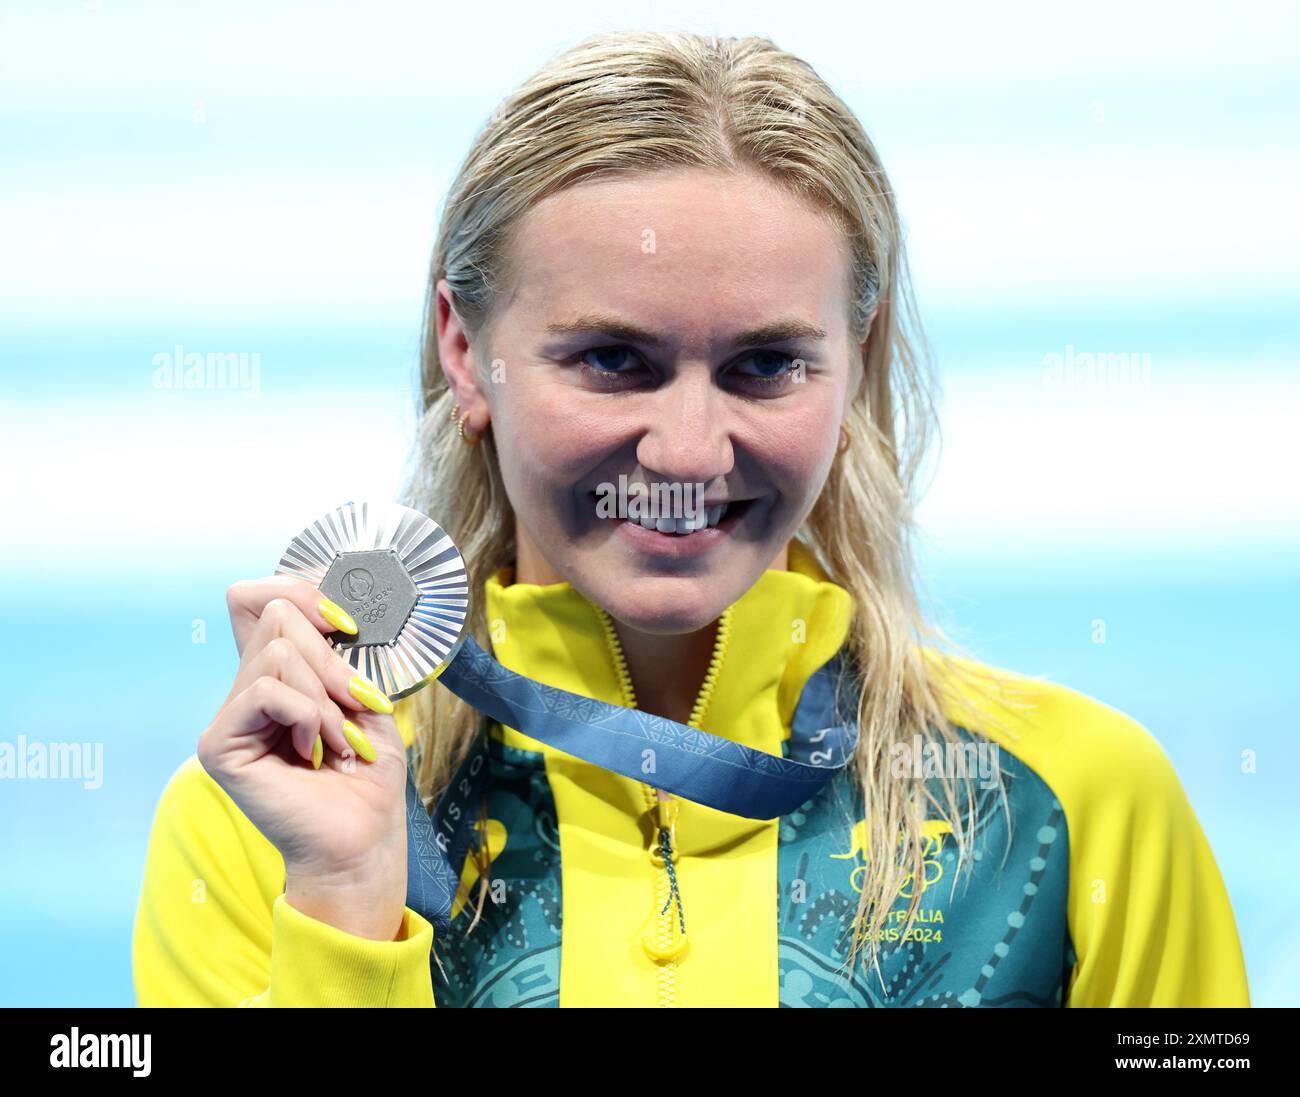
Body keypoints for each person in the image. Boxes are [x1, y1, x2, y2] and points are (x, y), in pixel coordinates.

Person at [132, 29, 1250, 1008]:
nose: (687, 449)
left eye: (766, 364)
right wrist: (341, 905)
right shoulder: (268, 811)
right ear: (465, 352)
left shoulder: (1071, 802)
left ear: (853, 370)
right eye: (614, 360)